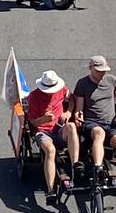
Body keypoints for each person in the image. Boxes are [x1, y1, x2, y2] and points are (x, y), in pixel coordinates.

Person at [68, 56, 116, 198]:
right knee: (99, 133)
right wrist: (78, 115)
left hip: (111, 124)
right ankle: (97, 168)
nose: (102, 73)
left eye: (104, 70)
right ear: (91, 68)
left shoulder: (112, 80)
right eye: (98, 71)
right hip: (91, 123)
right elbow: (79, 107)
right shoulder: (82, 84)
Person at [25, 71, 78, 204]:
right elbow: (32, 123)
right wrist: (44, 119)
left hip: (59, 128)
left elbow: (71, 98)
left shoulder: (61, 89)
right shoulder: (34, 96)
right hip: (42, 132)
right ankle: (50, 190)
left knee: (71, 126)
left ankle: (75, 165)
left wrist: (68, 112)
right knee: (50, 150)